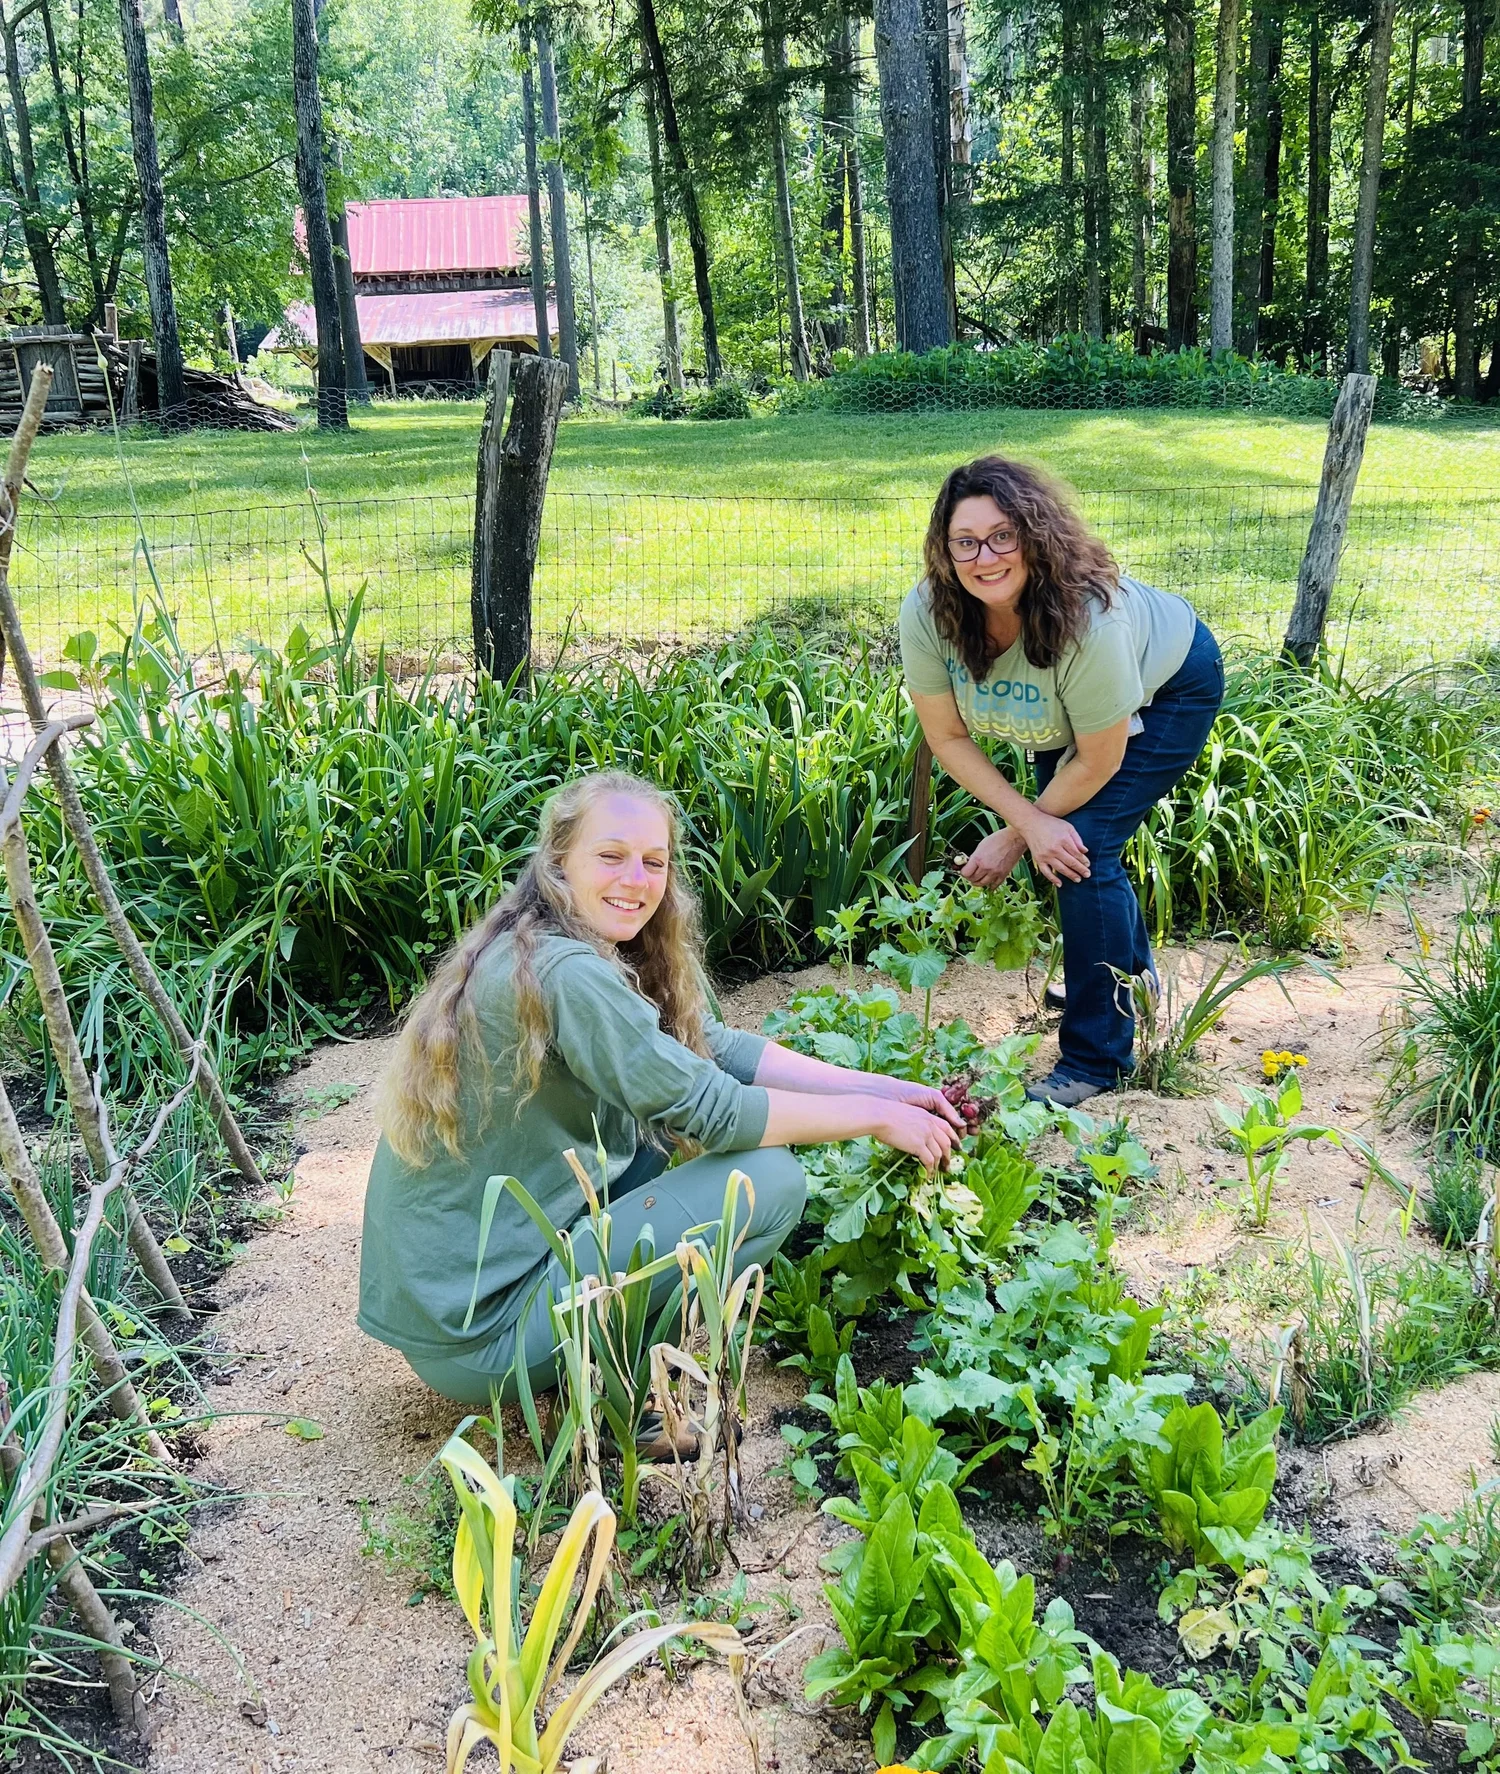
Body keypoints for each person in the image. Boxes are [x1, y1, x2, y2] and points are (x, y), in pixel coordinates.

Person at [359, 770, 961, 1408]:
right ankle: (625, 1388)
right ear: (560, 860)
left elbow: (712, 1049)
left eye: (654, 862)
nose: (636, 879)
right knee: (769, 1180)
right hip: (486, 1338)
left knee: (649, 1143)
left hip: (454, 1315)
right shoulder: (568, 973)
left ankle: (601, 1350)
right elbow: (715, 1110)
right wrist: (872, 1118)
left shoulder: (541, 940)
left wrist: (888, 1088)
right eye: (611, 856)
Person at [900, 456, 1225, 1107]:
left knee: (1080, 850)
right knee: (1063, 837)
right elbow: (947, 738)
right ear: (945, 548)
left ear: (1033, 534)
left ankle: (1095, 1060)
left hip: (1170, 689)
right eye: (965, 541)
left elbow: (1099, 762)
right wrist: (1029, 823)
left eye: (1002, 536)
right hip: (1071, 720)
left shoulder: (1088, 620)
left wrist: (1019, 836)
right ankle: (1129, 987)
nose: (984, 556)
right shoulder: (930, 612)